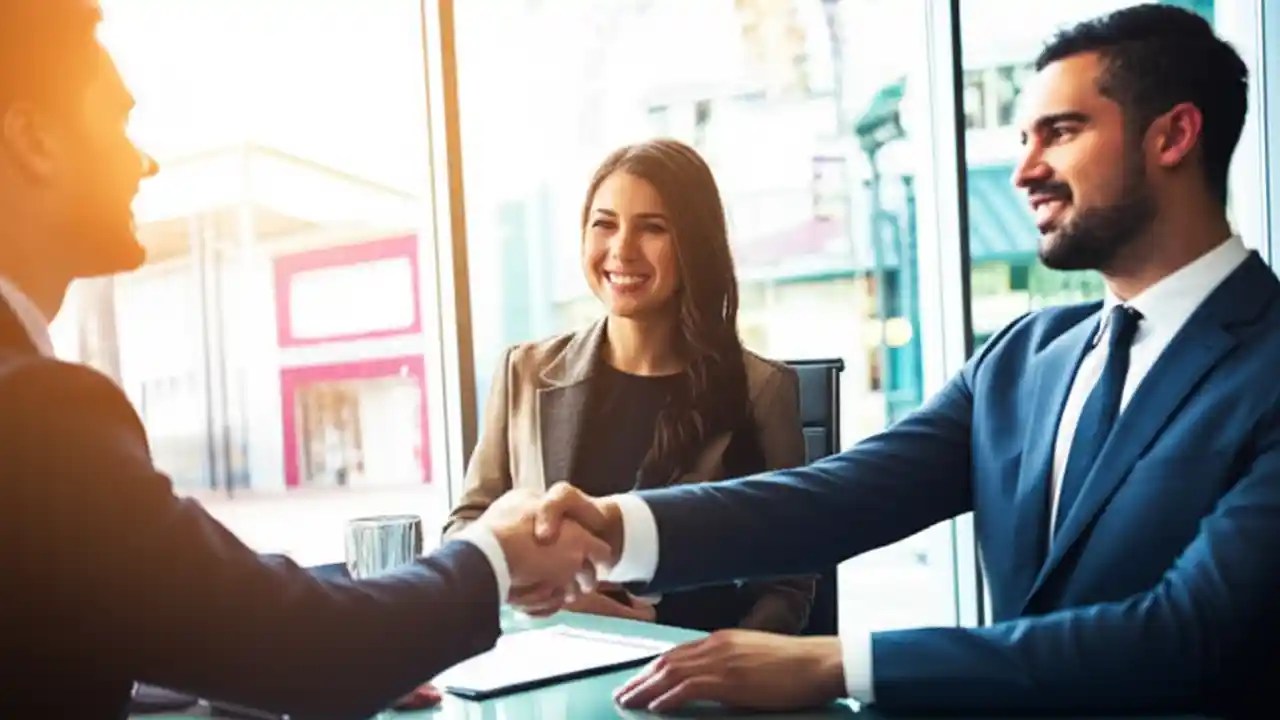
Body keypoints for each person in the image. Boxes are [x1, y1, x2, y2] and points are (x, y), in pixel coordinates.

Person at [533, 5, 1280, 716]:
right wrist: (614, 528)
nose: (1025, 171)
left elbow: (1192, 631)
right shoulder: (1026, 359)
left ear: (1174, 136)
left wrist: (841, 662)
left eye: (1061, 132)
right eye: (1023, 138)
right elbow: (837, 497)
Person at [0, 3, 608, 718]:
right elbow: (300, 643)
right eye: (120, 121)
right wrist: (494, 555)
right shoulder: (38, 412)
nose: (144, 160)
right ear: (34, 139)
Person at [444, 138, 814, 634]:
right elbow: (467, 527)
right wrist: (548, 599)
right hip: (548, 664)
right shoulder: (525, 373)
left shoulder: (762, 389)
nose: (621, 249)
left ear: (694, 245)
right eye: (605, 224)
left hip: (689, 673)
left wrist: (730, 661)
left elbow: (787, 583)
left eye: (653, 228)